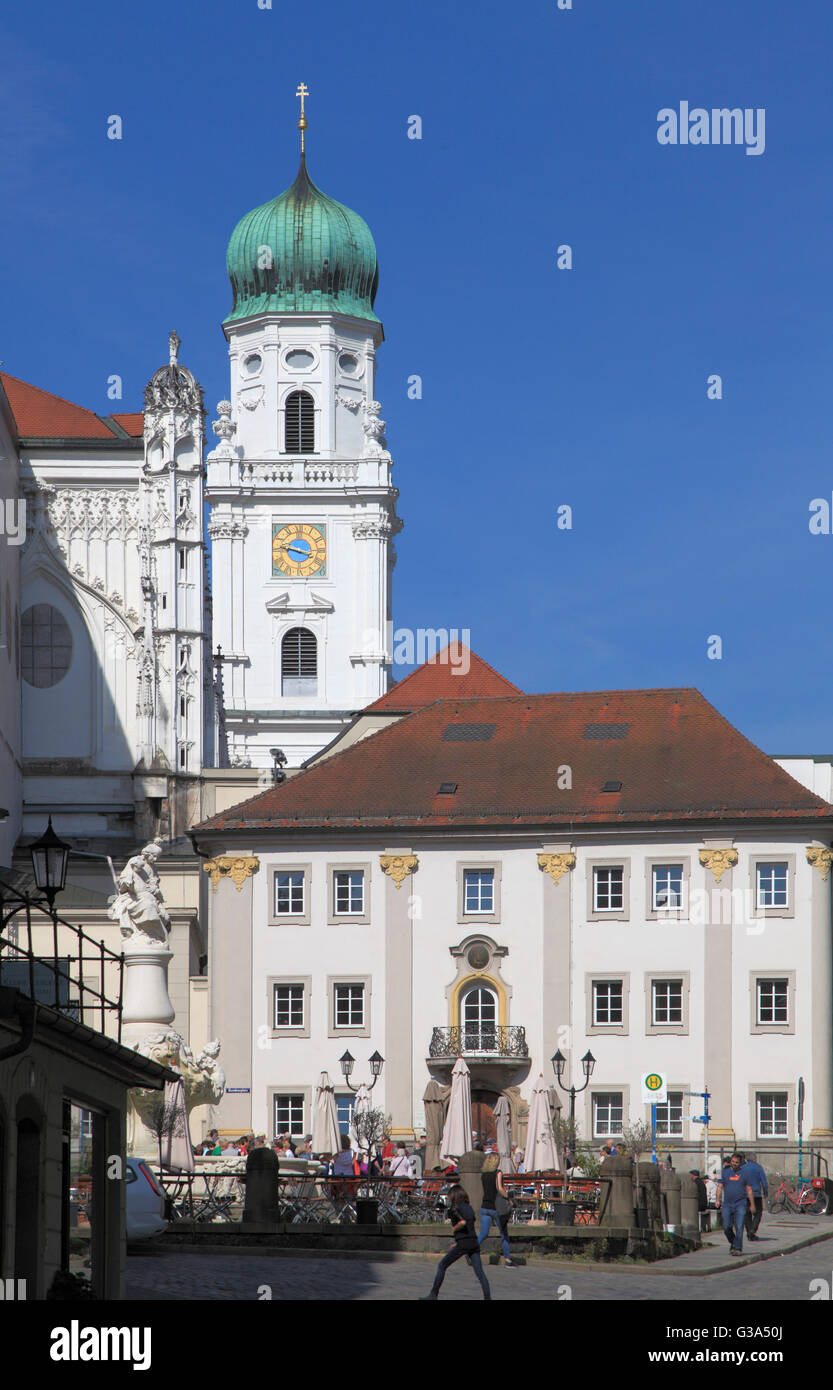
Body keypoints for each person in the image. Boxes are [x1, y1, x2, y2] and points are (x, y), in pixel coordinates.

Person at [420, 1184, 491, 1300]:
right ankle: (488, 1298)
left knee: (442, 1265)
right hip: (473, 1242)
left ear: (453, 1196)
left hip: (463, 1243)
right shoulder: (469, 1207)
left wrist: (454, 1228)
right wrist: (457, 1241)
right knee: (480, 1273)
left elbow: (462, 1223)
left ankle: (433, 1294)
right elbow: (470, 1224)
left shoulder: (454, 1208)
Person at [479, 1152, 517, 1267]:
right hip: (496, 1207)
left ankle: (470, 1251)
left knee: (483, 1234)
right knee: (503, 1233)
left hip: (485, 1206)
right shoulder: (498, 1173)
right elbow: (500, 1188)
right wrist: (509, 1198)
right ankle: (507, 1259)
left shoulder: (484, 1174)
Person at [716, 1153, 756, 1255]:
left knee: (739, 1226)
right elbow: (720, 1186)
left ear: (740, 1163)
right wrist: (717, 1199)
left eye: (736, 1162)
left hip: (740, 1204)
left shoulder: (745, 1174)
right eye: (733, 1162)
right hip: (727, 1204)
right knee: (726, 1227)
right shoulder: (725, 1173)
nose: (734, 1164)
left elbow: (749, 1190)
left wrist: (752, 1204)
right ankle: (734, 1242)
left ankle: (737, 1248)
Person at [742, 1152, 768, 1241]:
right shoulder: (758, 1167)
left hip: (745, 1194)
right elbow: (764, 1181)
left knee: (747, 1214)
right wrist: (765, 1192)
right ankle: (753, 1229)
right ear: (755, 1159)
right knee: (758, 1213)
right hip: (756, 1194)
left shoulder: (742, 1168)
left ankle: (749, 1232)